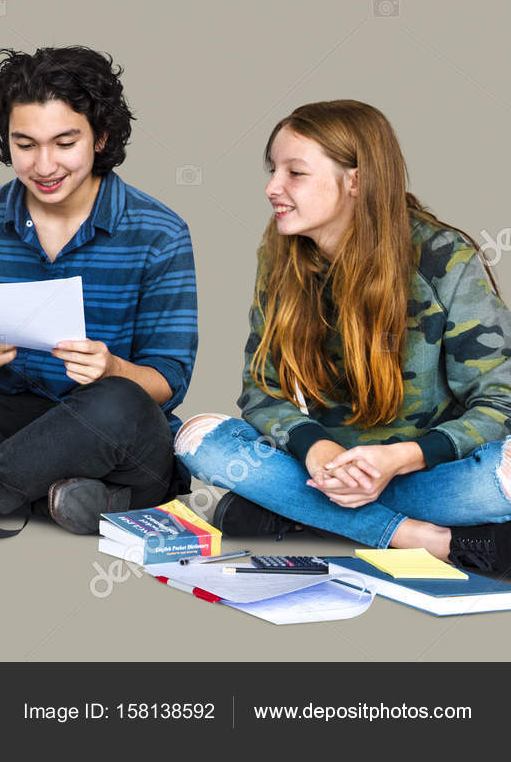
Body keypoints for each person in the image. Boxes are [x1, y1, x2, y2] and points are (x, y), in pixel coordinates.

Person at [175, 100, 511, 575]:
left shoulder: (444, 258)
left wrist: (398, 459)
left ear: (355, 180)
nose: (273, 188)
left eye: (295, 172)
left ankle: (296, 515)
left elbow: (500, 402)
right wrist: (320, 452)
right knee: (199, 440)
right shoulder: (279, 259)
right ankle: (423, 538)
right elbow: (261, 391)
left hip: (434, 472)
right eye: (273, 170)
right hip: (324, 472)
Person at [0, 46, 198, 533]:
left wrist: (111, 368)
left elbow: (169, 379)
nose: (44, 165)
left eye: (65, 143)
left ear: (100, 137)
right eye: (26, 144)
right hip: (12, 421)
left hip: (112, 430)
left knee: (117, 400)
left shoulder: (158, 231)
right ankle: (64, 497)